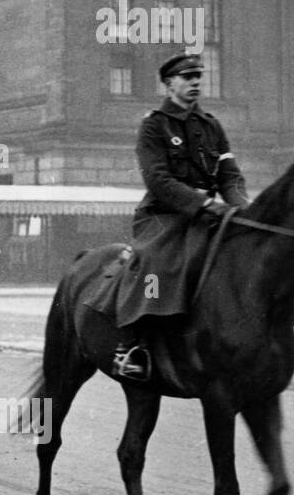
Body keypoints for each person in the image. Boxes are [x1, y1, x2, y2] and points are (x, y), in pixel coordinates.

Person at [101, 51, 249, 381]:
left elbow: (230, 177)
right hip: (162, 215)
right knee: (156, 258)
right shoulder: (154, 125)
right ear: (170, 84)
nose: (196, 82)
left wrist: (241, 208)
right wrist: (204, 204)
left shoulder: (212, 126)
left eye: (199, 76)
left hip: (207, 215)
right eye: (188, 77)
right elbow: (158, 180)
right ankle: (132, 346)